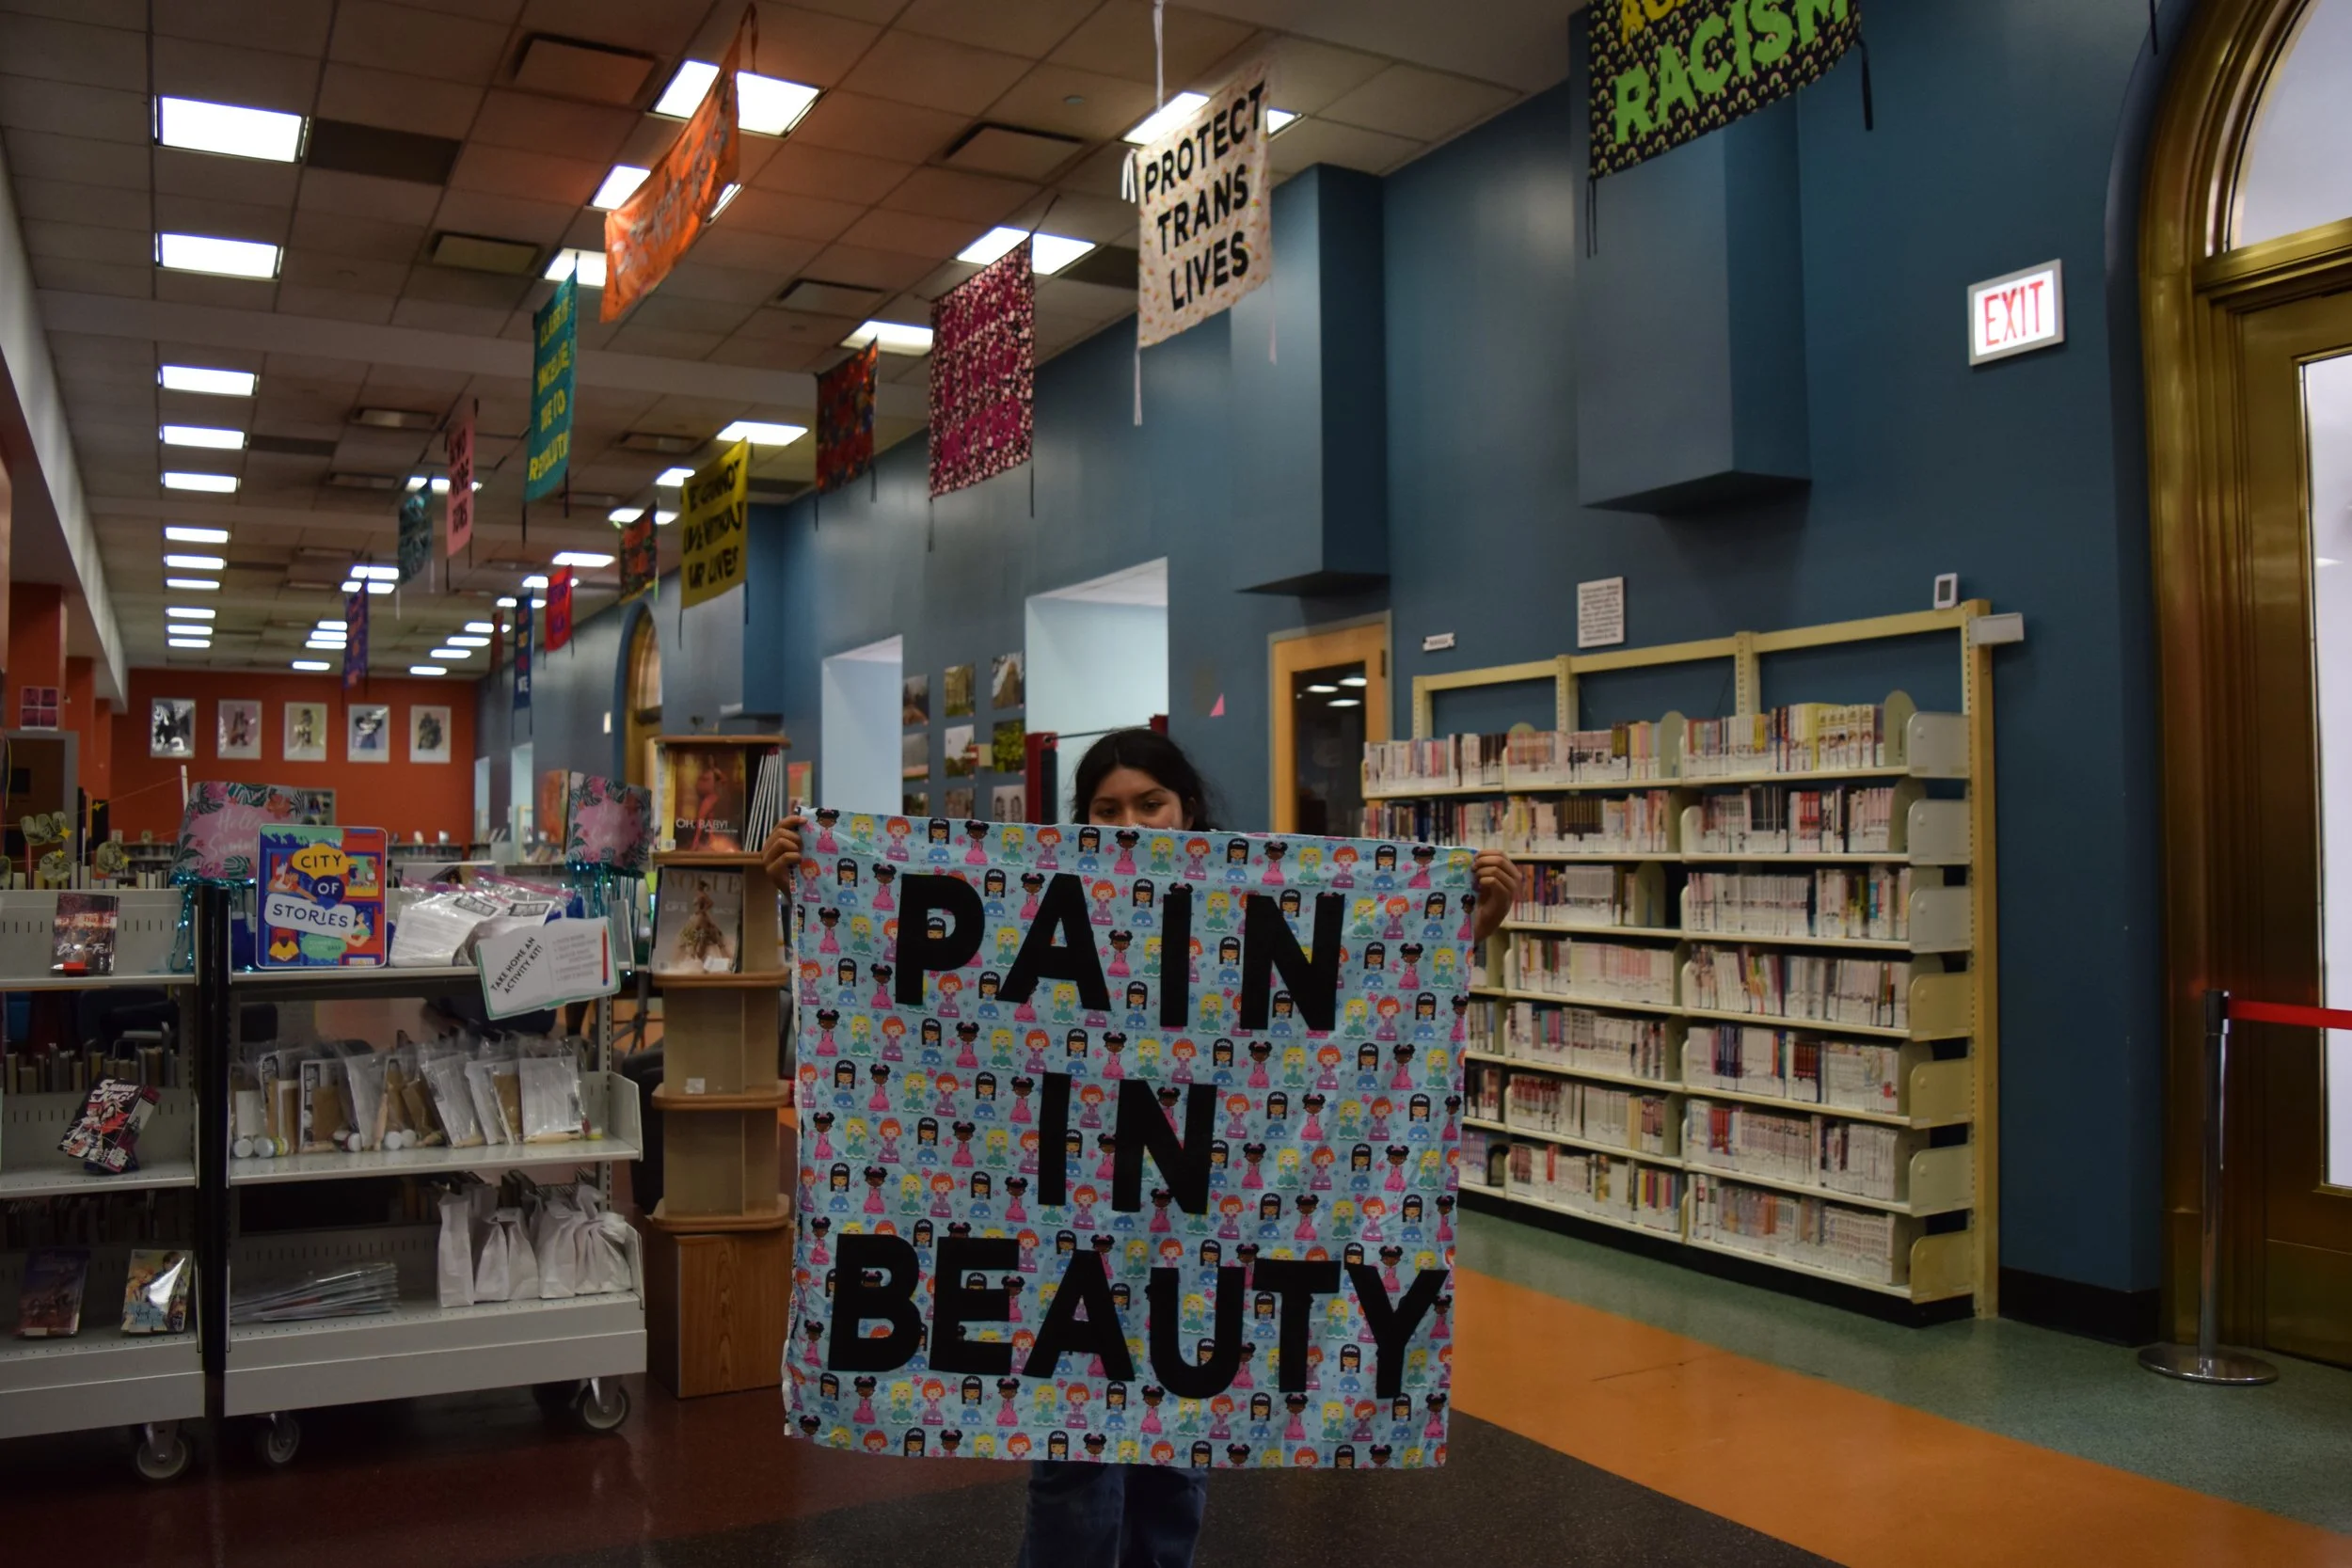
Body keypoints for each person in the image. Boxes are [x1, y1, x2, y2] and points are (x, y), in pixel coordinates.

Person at [761, 727, 1520, 1568]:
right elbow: (951, 993)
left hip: (1197, 1225)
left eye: (1150, 803)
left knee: (1180, 1443)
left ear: (1186, 807)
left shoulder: (1248, 902)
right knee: (1071, 1448)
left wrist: (1456, 927)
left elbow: (1351, 992)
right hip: (1069, 1228)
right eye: (1107, 808)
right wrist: (823, 888)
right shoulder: (1046, 897)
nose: (1132, 824)